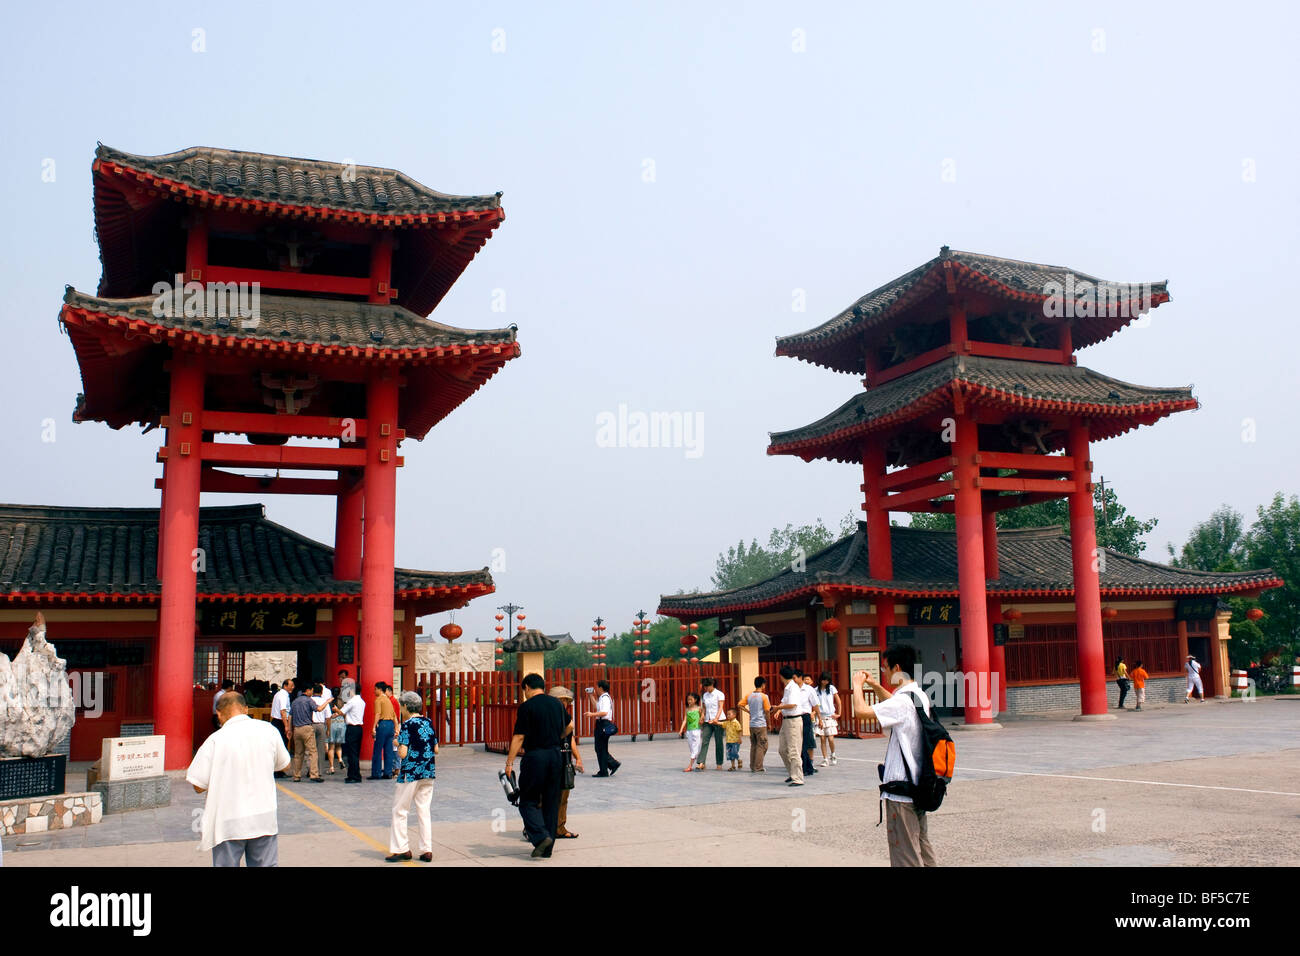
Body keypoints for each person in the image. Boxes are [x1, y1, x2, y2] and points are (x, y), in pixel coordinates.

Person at [851, 645, 936, 867]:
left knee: (905, 856)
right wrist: (875, 686)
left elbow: (861, 713)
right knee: (922, 848)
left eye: (886, 668)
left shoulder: (902, 702)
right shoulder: (917, 695)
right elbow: (894, 703)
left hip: (901, 793)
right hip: (919, 786)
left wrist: (857, 686)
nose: (884, 672)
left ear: (897, 668)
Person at [186, 691, 291, 866]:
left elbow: (198, 785)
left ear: (218, 714)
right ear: (246, 709)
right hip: (263, 817)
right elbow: (284, 765)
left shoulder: (215, 740)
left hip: (228, 821)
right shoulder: (269, 731)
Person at [504, 673, 571, 859]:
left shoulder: (527, 707)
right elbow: (570, 726)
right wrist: (557, 738)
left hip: (535, 757)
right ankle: (547, 848)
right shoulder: (557, 704)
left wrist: (509, 763)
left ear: (526, 687)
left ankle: (541, 838)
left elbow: (519, 737)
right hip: (555, 756)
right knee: (551, 802)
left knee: (527, 801)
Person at [387, 691, 438, 862]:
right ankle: (426, 850)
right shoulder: (428, 722)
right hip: (428, 771)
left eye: (401, 706)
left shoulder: (408, 724)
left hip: (411, 772)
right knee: (424, 810)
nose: (401, 709)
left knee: (400, 810)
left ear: (407, 706)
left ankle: (401, 848)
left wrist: (397, 742)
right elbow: (435, 749)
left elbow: (402, 753)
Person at [549, 686, 585, 839]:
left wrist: (578, 758)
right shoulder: (547, 717)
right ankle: (535, 828)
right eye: (561, 699)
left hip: (564, 761)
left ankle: (560, 827)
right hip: (549, 759)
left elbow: (570, 739)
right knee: (545, 797)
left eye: (566, 700)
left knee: (564, 796)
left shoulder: (566, 717)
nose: (564, 703)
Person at [771, 666, 806, 786]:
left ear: (781, 676)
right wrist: (778, 710)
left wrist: (778, 707)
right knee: (782, 749)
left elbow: (792, 704)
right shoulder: (788, 687)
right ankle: (792, 773)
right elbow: (785, 701)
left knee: (794, 750)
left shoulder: (793, 688)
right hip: (786, 720)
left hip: (793, 721)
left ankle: (798, 778)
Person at [585, 678, 621, 777]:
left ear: (600, 687)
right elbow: (597, 707)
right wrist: (590, 696)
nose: (595, 689)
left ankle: (609, 767)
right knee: (600, 748)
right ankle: (608, 767)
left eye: (597, 687)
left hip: (603, 724)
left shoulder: (605, 698)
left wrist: (591, 714)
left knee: (600, 748)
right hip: (601, 723)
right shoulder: (602, 698)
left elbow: (604, 712)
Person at [289, 682, 323, 782]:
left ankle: (296, 775)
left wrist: (289, 729)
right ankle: (314, 774)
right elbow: (319, 709)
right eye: (311, 690)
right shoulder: (309, 700)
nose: (312, 692)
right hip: (307, 728)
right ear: (307, 690)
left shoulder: (295, 701)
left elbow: (290, 716)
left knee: (298, 753)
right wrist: (327, 702)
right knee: (313, 752)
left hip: (297, 729)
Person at [697, 677, 727, 770]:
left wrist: (716, 719)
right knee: (705, 741)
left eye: (707, 687)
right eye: (704, 687)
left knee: (719, 742)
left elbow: (720, 708)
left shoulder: (719, 694)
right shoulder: (705, 695)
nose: (706, 689)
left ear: (712, 685)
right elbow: (704, 708)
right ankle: (701, 762)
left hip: (719, 720)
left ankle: (719, 763)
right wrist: (702, 717)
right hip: (707, 721)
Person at [370, 681, 398, 778]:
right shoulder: (388, 700)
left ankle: (376, 773)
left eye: (375, 689)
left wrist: (373, 727)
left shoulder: (378, 700)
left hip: (383, 725)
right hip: (390, 725)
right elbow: (394, 716)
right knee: (388, 750)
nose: (374, 691)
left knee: (377, 750)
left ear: (380, 689)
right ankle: (388, 772)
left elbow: (378, 714)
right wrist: (397, 728)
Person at [339, 685, 366, 782]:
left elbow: (341, 711)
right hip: (359, 728)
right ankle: (355, 774)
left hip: (352, 728)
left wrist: (335, 710)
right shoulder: (362, 702)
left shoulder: (352, 701)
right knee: (355, 753)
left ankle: (353, 776)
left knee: (351, 753)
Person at [814, 671, 840, 766]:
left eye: (827, 680)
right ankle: (825, 758)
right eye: (824, 680)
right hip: (821, 716)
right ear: (820, 680)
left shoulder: (832, 688)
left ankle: (833, 754)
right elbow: (815, 704)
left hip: (830, 716)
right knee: (822, 739)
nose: (825, 682)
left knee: (831, 738)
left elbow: (838, 701)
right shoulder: (816, 690)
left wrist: (839, 713)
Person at [269, 678, 293, 776]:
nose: (293, 687)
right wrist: (286, 726)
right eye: (291, 685)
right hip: (280, 722)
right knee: (281, 745)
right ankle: (277, 770)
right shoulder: (283, 695)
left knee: (279, 745)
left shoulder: (279, 694)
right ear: (285, 686)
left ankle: (279, 769)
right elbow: (283, 711)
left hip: (277, 721)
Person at [746, 677, 770, 773]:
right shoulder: (764, 696)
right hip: (761, 724)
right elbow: (767, 710)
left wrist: (749, 712)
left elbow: (740, 704)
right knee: (763, 745)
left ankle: (752, 766)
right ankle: (758, 766)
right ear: (763, 685)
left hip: (752, 724)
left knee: (754, 745)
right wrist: (769, 723)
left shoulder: (749, 696)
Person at [799, 672, 819, 776]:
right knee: (800, 743)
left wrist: (818, 717)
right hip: (796, 717)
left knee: (807, 743)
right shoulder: (793, 689)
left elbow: (816, 705)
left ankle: (808, 765)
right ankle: (807, 766)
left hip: (806, 717)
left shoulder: (810, 690)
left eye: (808, 679)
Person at [311, 682, 333, 776]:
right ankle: (319, 771)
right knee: (320, 749)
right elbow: (328, 717)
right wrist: (328, 729)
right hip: (321, 725)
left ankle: (311, 770)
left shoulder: (309, 700)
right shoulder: (325, 702)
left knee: (311, 749)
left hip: (311, 725)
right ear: (321, 692)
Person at [678, 693, 703, 772]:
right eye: (688, 699)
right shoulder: (687, 709)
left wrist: (701, 719)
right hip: (689, 731)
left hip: (696, 730)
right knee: (692, 748)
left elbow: (702, 716)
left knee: (695, 748)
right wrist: (681, 729)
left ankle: (690, 766)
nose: (689, 701)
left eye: (691, 699)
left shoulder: (699, 708)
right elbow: (685, 720)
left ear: (695, 700)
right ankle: (701, 762)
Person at [326, 688, 346, 773]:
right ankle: (340, 759)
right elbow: (345, 713)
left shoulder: (329, 702)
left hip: (332, 723)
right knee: (338, 745)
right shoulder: (342, 702)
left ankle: (331, 767)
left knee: (331, 747)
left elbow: (327, 715)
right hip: (341, 723)